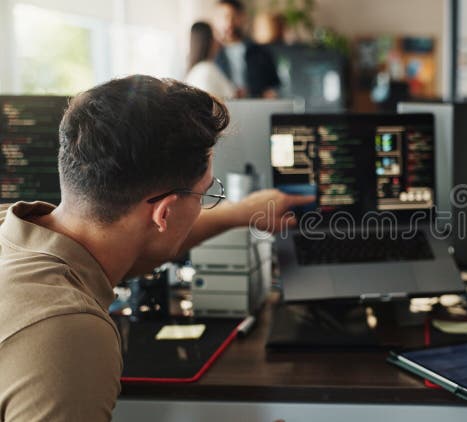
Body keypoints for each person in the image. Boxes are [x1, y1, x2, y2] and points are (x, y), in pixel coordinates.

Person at [0, 75, 311, 421]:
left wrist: (240, 212)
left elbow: (143, 239)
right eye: (205, 194)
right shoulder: (70, 335)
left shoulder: (13, 228)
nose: (205, 204)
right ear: (164, 213)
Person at [212, 0, 281, 98]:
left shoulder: (261, 51)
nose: (228, 22)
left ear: (242, 17)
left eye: (232, 16)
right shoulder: (212, 54)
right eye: (222, 17)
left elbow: (274, 85)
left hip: (256, 106)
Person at [186, 21, 237, 99]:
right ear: (207, 40)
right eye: (215, 36)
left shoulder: (200, 69)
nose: (219, 41)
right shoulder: (205, 71)